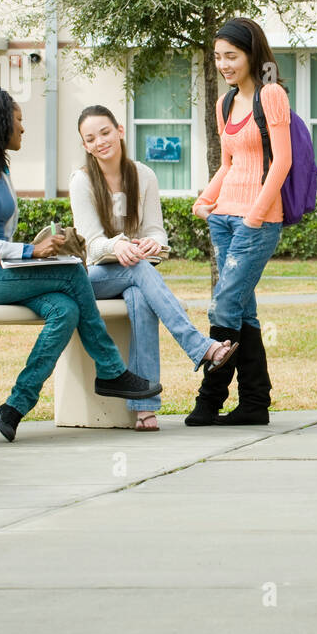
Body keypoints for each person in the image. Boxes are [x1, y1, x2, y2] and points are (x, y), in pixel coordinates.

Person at [0, 86, 161, 442]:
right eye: (18, 121)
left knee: (65, 308)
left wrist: (36, 248)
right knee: (70, 270)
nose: (22, 129)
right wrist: (29, 253)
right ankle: (112, 370)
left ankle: (14, 407)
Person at [69, 105, 240, 432]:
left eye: (105, 132)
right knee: (137, 271)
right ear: (85, 146)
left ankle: (144, 410)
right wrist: (117, 245)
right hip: (93, 277)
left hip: (134, 270)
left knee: (139, 297)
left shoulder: (144, 175)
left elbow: (156, 232)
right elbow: (91, 243)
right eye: (90, 138)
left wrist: (152, 246)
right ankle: (201, 347)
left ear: (119, 130)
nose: (100, 142)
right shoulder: (81, 181)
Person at [186, 17, 292, 426]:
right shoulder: (225, 103)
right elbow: (228, 162)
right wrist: (206, 199)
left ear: (251, 54)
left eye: (231, 55)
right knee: (242, 311)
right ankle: (254, 404)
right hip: (223, 219)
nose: (224, 64)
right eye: (217, 57)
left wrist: (254, 216)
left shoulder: (272, 95)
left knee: (225, 303)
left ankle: (208, 398)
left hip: (257, 221)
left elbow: (282, 161)